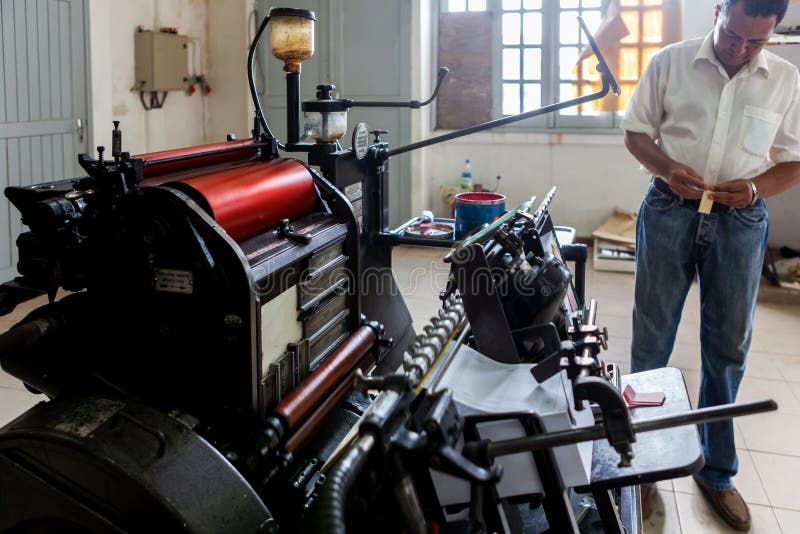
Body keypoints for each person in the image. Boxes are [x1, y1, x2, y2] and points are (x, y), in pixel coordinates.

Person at [621, 0, 800, 530]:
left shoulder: (784, 79)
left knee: (727, 348)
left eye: (757, 42)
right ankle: (643, 465)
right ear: (719, 11)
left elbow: (792, 161)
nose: (742, 51)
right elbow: (635, 132)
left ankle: (716, 472)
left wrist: (752, 189)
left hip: (739, 222)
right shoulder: (671, 62)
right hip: (669, 210)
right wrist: (668, 166)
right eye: (734, 35)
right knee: (651, 341)